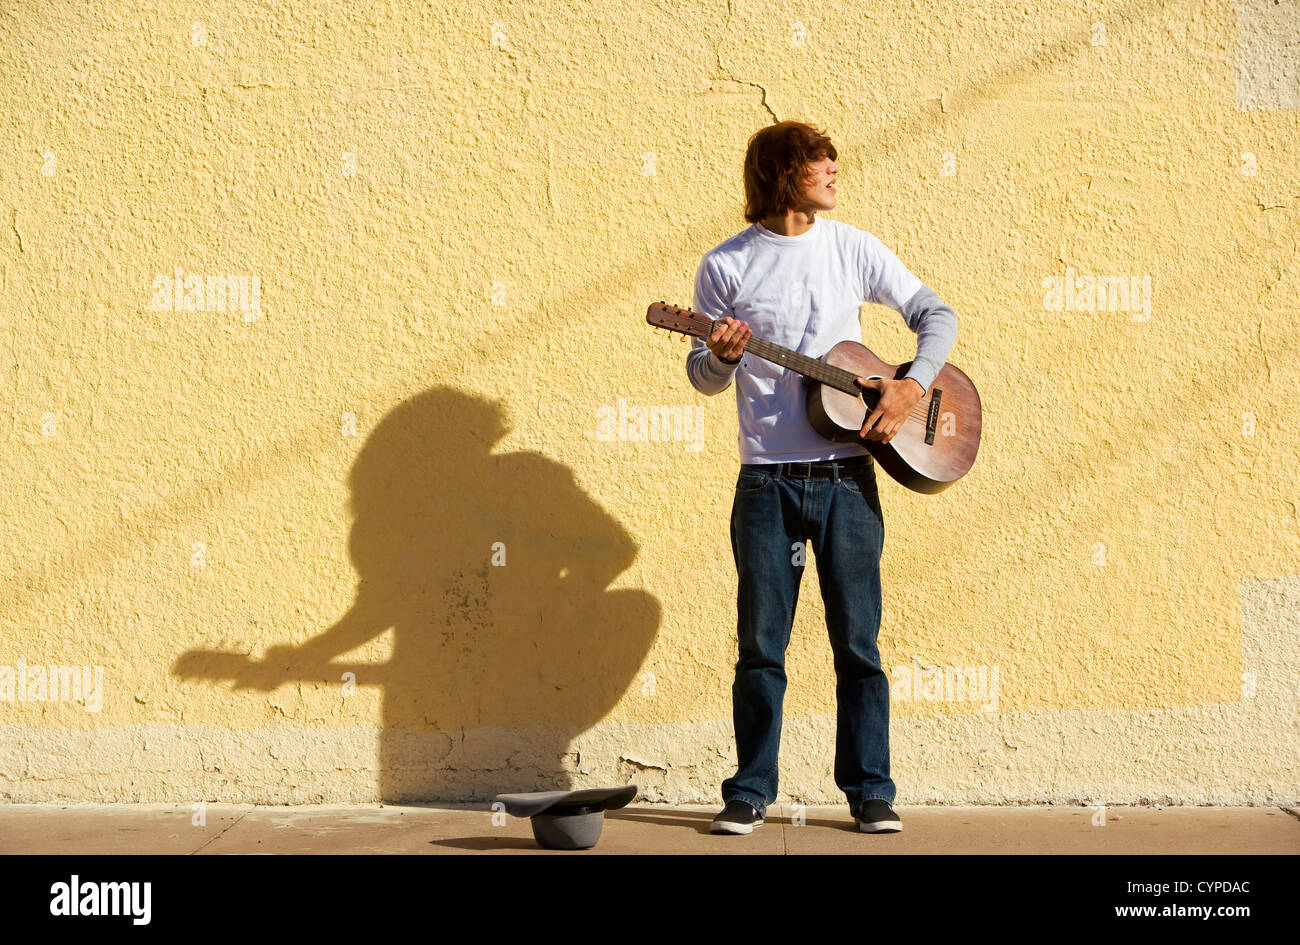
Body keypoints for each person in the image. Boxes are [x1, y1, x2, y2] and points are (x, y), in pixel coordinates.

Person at [685, 120, 958, 835]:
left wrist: (911, 386)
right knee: (760, 646)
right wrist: (722, 357)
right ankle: (749, 790)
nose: (835, 167)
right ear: (782, 172)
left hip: (848, 477)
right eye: (819, 159)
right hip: (766, 484)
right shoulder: (726, 266)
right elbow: (702, 377)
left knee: (858, 644)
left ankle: (871, 790)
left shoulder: (853, 248)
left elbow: (938, 314)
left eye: (833, 156)